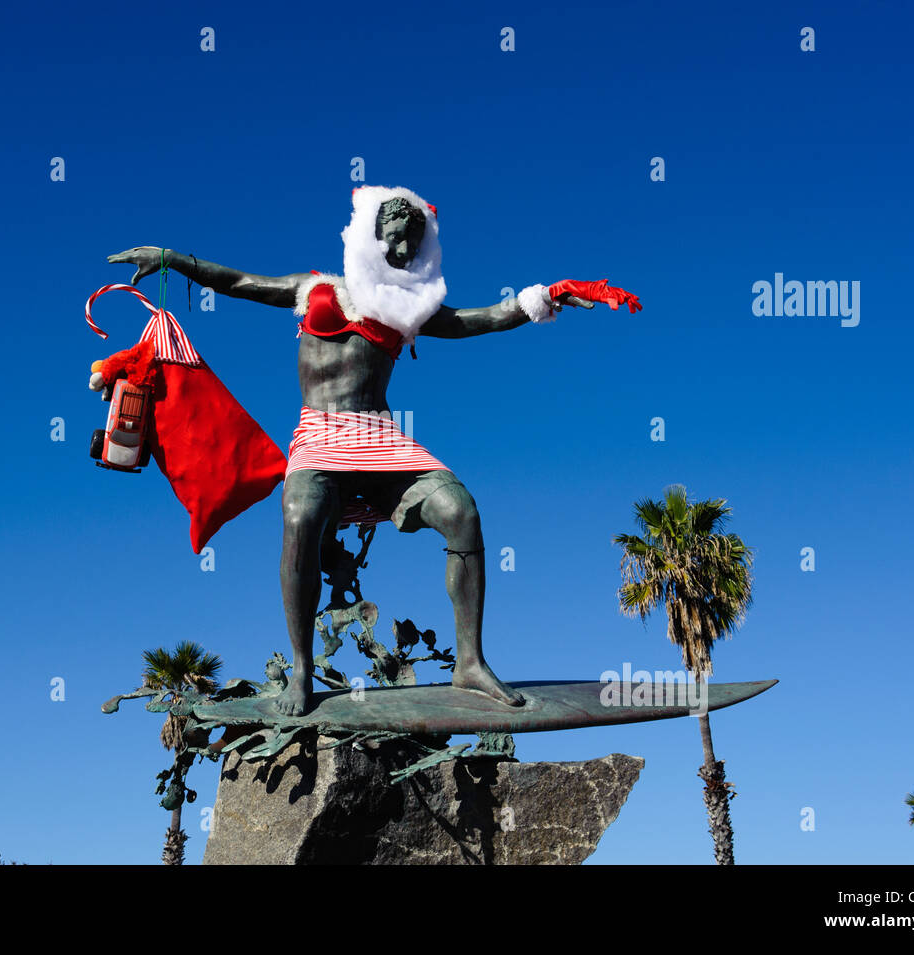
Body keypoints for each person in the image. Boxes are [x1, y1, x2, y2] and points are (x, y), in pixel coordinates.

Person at [105, 185, 641, 715]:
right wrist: (173, 259)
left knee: (460, 510)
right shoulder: (315, 287)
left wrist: (546, 296)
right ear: (370, 234)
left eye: (412, 241)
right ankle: (301, 668)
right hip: (318, 433)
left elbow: (484, 319)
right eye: (394, 237)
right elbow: (241, 282)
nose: (403, 250)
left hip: (379, 437)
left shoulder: (411, 309)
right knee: (299, 515)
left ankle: (470, 661)